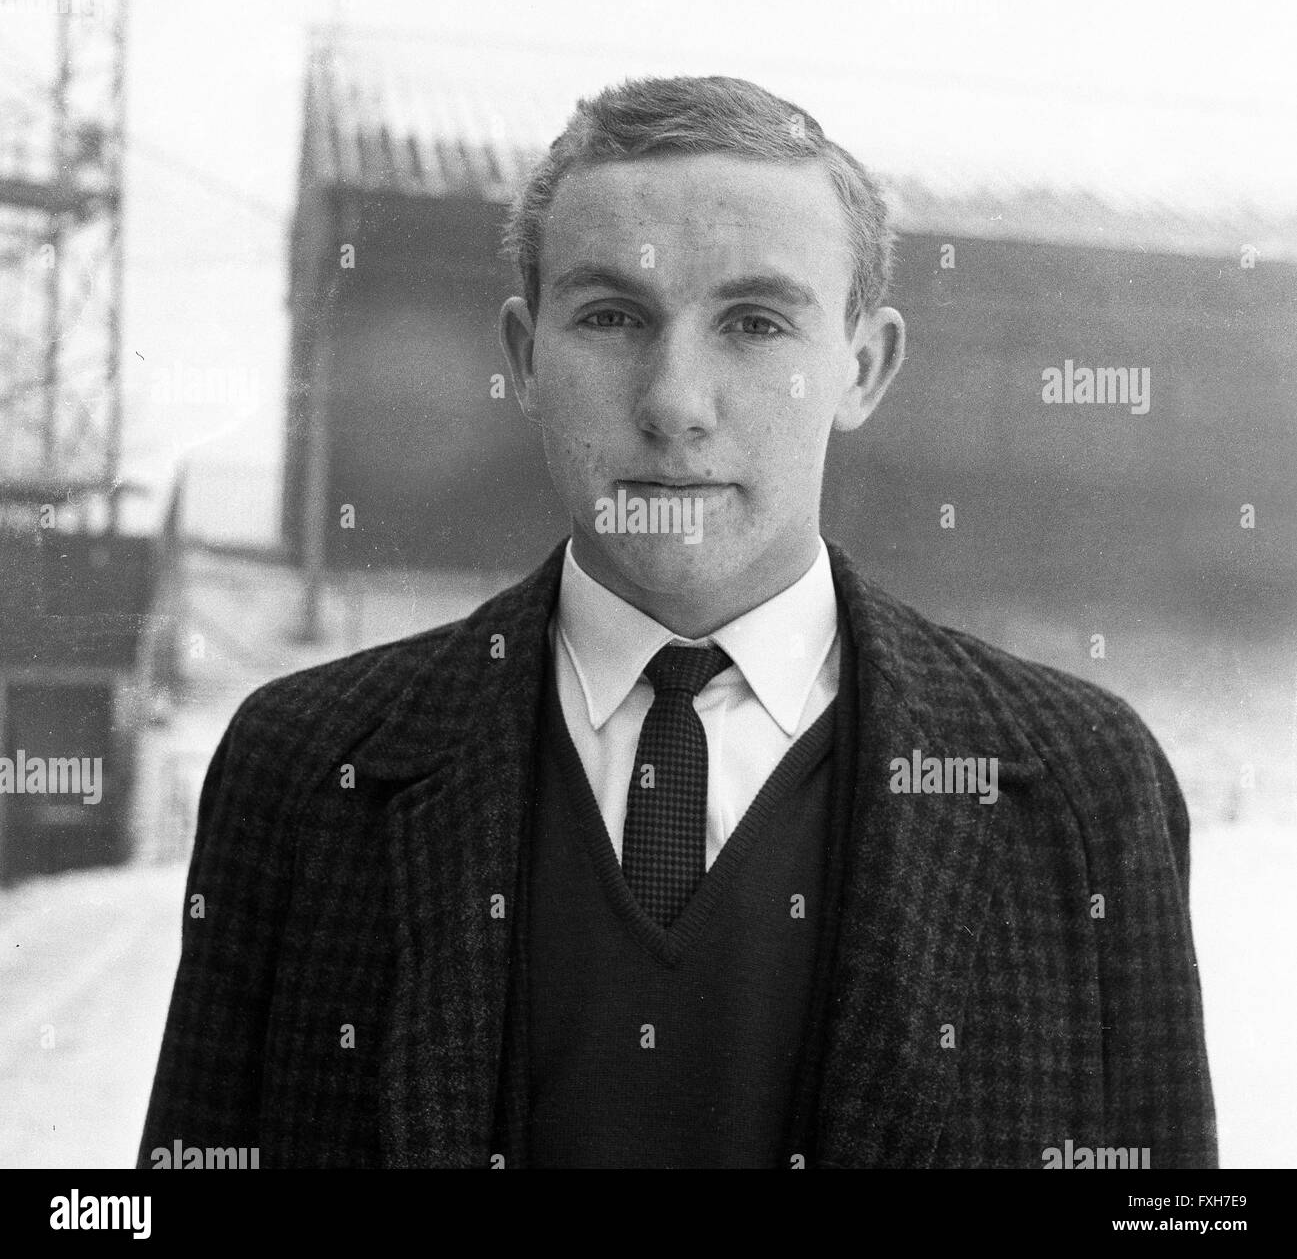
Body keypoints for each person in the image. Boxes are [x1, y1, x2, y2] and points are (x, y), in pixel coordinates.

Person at [138, 74, 1216, 1169]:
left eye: (754, 323)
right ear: (523, 358)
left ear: (864, 365)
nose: (674, 403)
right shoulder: (303, 770)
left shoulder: (1084, 786)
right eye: (611, 317)